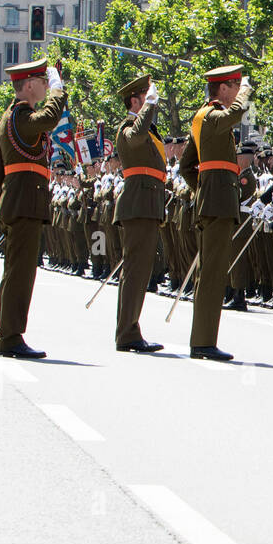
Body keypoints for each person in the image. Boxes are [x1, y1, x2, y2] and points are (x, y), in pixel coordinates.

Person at [0, 59, 67, 360]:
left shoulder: (7, 117)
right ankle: (10, 336)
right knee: (20, 274)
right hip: (24, 203)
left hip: (17, 201)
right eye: (43, 80)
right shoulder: (22, 114)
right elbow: (49, 119)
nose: (46, 85)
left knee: (15, 272)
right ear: (29, 85)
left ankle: (8, 333)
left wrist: (8, 196)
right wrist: (59, 91)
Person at [180, 66, 253, 362]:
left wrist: (204, 188)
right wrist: (246, 93)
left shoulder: (201, 121)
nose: (238, 91)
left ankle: (203, 339)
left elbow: (186, 167)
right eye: (235, 86)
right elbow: (234, 115)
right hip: (218, 203)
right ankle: (203, 342)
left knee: (209, 271)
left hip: (213, 200)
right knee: (211, 274)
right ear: (223, 89)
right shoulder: (211, 116)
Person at [112, 74, 166, 354]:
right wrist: (149, 107)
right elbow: (135, 139)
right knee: (135, 271)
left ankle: (130, 329)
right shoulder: (128, 127)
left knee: (139, 271)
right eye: (146, 96)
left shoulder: (145, 128)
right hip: (138, 204)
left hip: (147, 204)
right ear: (135, 100)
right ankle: (127, 332)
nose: (151, 100)